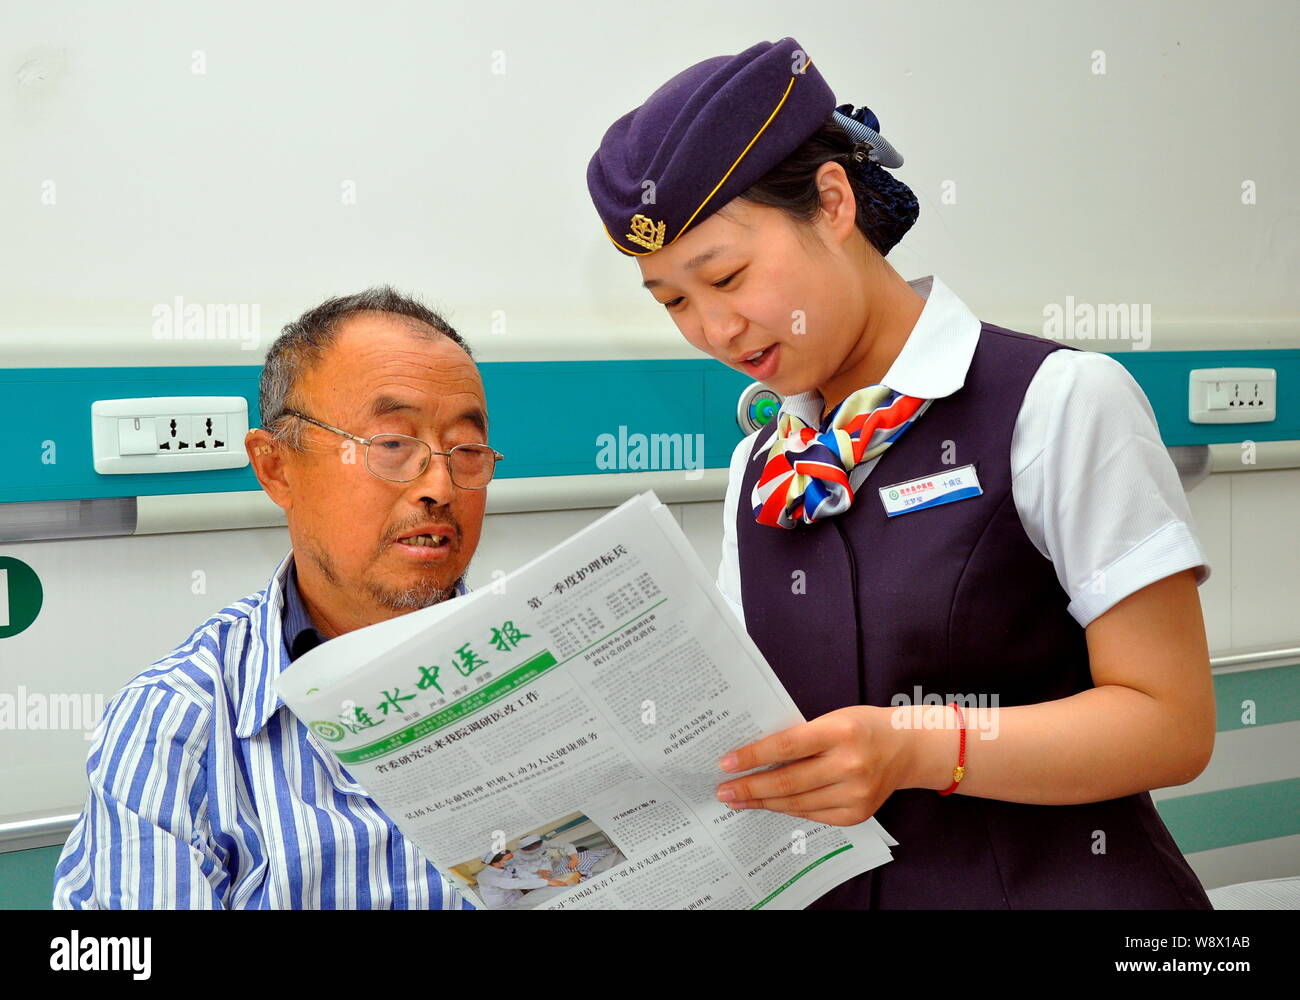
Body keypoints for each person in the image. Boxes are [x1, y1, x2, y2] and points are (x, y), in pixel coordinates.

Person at [586, 37, 1216, 908]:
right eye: (675, 303)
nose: (715, 331)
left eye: (726, 276)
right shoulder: (761, 470)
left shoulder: (1056, 402)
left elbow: (1171, 725)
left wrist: (921, 747)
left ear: (833, 202)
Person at [52, 286, 503, 909]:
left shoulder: (554, 664)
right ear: (276, 467)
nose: (439, 486)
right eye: (393, 445)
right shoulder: (176, 728)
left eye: (467, 450)